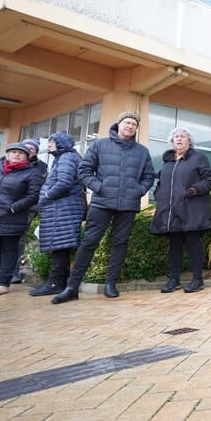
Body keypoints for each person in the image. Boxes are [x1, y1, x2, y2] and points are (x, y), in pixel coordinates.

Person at [52, 110, 155, 304]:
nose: (130, 126)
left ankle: (110, 283)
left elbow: (149, 176)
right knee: (89, 242)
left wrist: (138, 191)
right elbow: (84, 171)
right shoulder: (100, 145)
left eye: (134, 124)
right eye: (127, 122)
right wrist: (99, 187)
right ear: (119, 124)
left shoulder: (142, 151)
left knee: (120, 243)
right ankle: (72, 286)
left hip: (128, 205)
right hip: (102, 203)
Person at [150, 128, 211, 294]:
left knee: (193, 244)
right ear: (172, 141)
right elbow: (160, 184)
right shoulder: (168, 162)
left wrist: (193, 190)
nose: (178, 139)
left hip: (191, 208)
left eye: (182, 137)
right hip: (171, 211)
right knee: (175, 245)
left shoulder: (198, 158)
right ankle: (173, 280)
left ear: (189, 141)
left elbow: (209, 179)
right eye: (176, 137)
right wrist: (159, 195)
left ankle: (197, 280)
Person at [31, 133, 83, 297]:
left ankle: (55, 283)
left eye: (52, 141)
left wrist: (47, 196)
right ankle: (59, 282)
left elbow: (64, 183)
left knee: (58, 246)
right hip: (63, 208)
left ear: (61, 143)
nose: (50, 144)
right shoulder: (65, 157)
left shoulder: (67, 158)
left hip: (63, 208)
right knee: (60, 245)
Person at [0, 143, 43, 295]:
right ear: (7, 154)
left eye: (21, 153)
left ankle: (3, 283)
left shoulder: (32, 173)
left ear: (27, 156)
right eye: (13, 152)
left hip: (12, 218)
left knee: (9, 251)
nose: (17, 155)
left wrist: (14, 207)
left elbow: (33, 196)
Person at [10, 137, 48, 284]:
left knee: (18, 239)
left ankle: (14, 272)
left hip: (27, 208)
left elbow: (38, 190)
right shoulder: (4, 164)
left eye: (32, 148)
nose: (28, 150)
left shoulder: (41, 167)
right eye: (26, 147)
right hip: (3, 207)